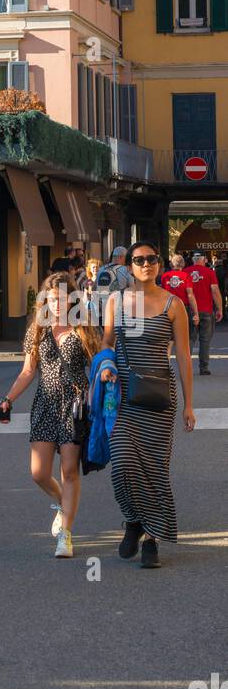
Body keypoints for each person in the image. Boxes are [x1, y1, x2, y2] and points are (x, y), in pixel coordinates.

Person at [0, 271, 102, 558]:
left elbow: (96, 367)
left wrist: (100, 394)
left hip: (75, 406)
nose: (57, 304)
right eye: (52, 298)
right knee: (39, 473)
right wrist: (8, 399)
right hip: (45, 403)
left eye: (63, 298)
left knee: (68, 472)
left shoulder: (83, 328)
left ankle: (66, 535)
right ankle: (62, 505)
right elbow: (28, 371)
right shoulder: (38, 330)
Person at [103, 242, 195, 569]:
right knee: (123, 462)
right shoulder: (116, 301)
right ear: (129, 267)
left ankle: (152, 539)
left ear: (159, 264)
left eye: (151, 259)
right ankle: (132, 520)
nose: (146, 264)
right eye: (139, 260)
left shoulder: (174, 304)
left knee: (156, 469)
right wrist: (105, 367)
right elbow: (106, 343)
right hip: (124, 394)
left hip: (158, 396)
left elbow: (184, 356)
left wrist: (188, 405)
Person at [185, 251, 223, 375]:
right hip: (206, 310)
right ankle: (204, 368)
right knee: (205, 340)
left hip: (190, 311)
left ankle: (187, 367)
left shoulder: (185, 272)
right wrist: (220, 309)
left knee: (190, 339)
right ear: (204, 259)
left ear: (193, 259)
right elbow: (215, 291)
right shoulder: (209, 272)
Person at [158, 254, 198, 333]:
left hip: (168, 307)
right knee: (184, 333)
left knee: (169, 335)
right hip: (183, 307)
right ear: (183, 264)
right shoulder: (186, 276)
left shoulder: (164, 276)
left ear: (171, 264)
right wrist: (195, 313)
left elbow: (161, 293)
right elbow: (190, 295)